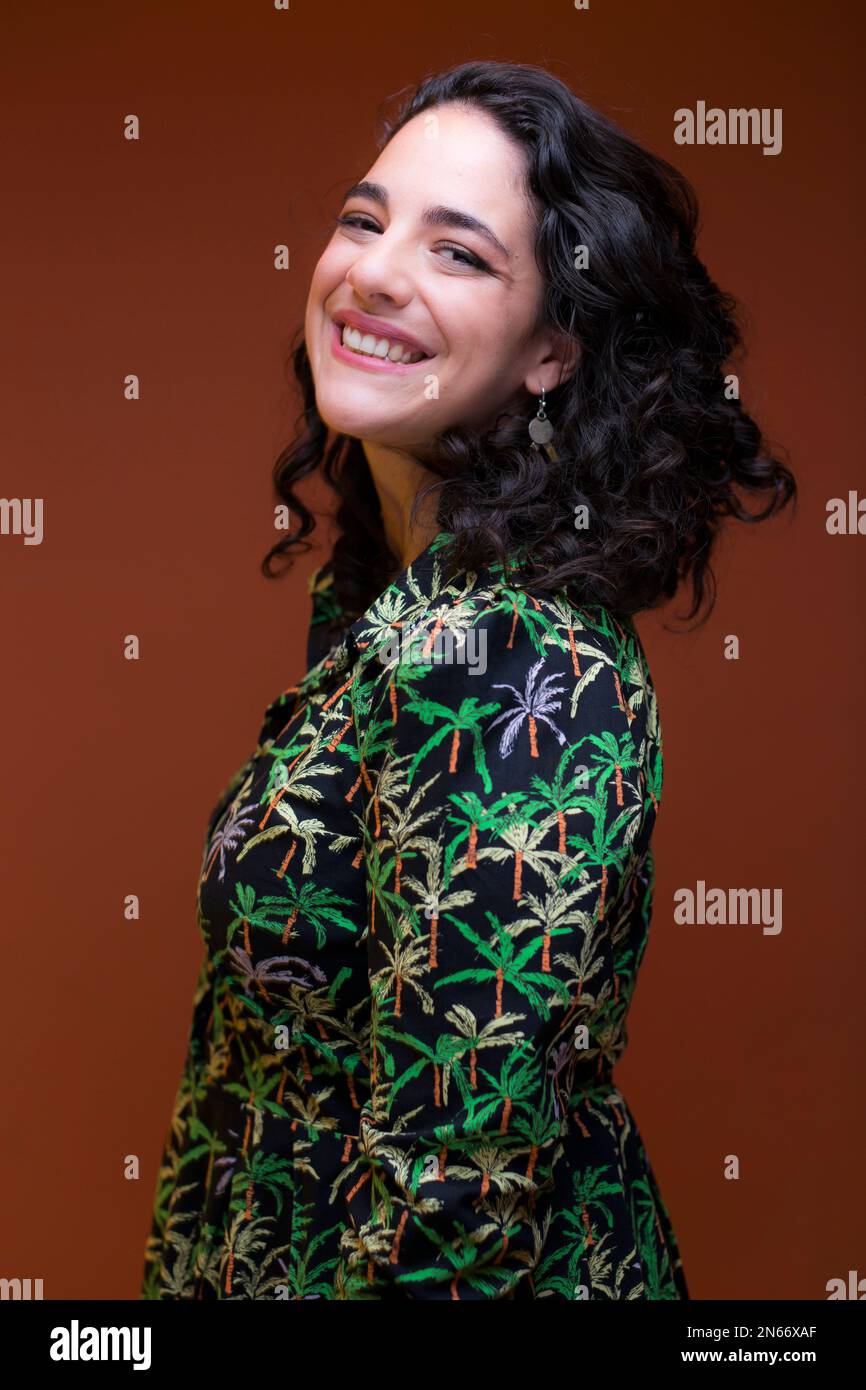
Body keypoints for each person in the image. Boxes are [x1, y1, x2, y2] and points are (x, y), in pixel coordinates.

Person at [141, 59, 794, 1301]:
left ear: (552, 350)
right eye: (362, 219)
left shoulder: (511, 658)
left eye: (458, 253)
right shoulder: (392, 608)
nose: (374, 270)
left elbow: (456, 1199)